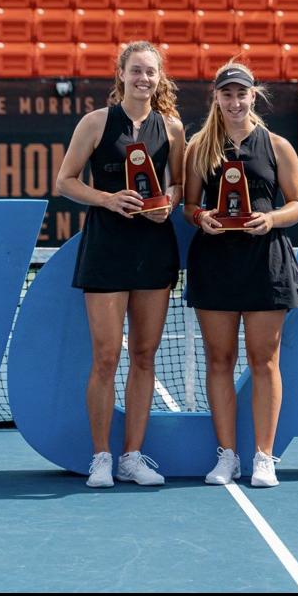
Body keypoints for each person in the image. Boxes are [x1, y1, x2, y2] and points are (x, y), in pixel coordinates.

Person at [52, 41, 187, 488]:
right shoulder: (95, 123)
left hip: (153, 249)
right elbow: (65, 182)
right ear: (122, 75)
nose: (143, 79)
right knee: (107, 357)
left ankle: (131, 456)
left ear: (159, 78)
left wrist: (167, 203)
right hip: (106, 248)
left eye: (151, 72)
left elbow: (180, 185)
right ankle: (101, 458)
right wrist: (108, 199)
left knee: (144, 357)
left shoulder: (172, 129)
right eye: (136, 71)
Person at [180, 62, 298, 488]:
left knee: (264, 360)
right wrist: (202, 219)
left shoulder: (277, 146)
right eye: (227, 94)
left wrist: (270, 220)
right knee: (219, 360)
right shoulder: (199, 146)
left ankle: (264, 457)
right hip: (215, 263)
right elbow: (189, 206)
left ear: (254, 95)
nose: (235, 102)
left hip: (265, 262)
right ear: (216, 97)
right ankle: (228, 456)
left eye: (242, 94)